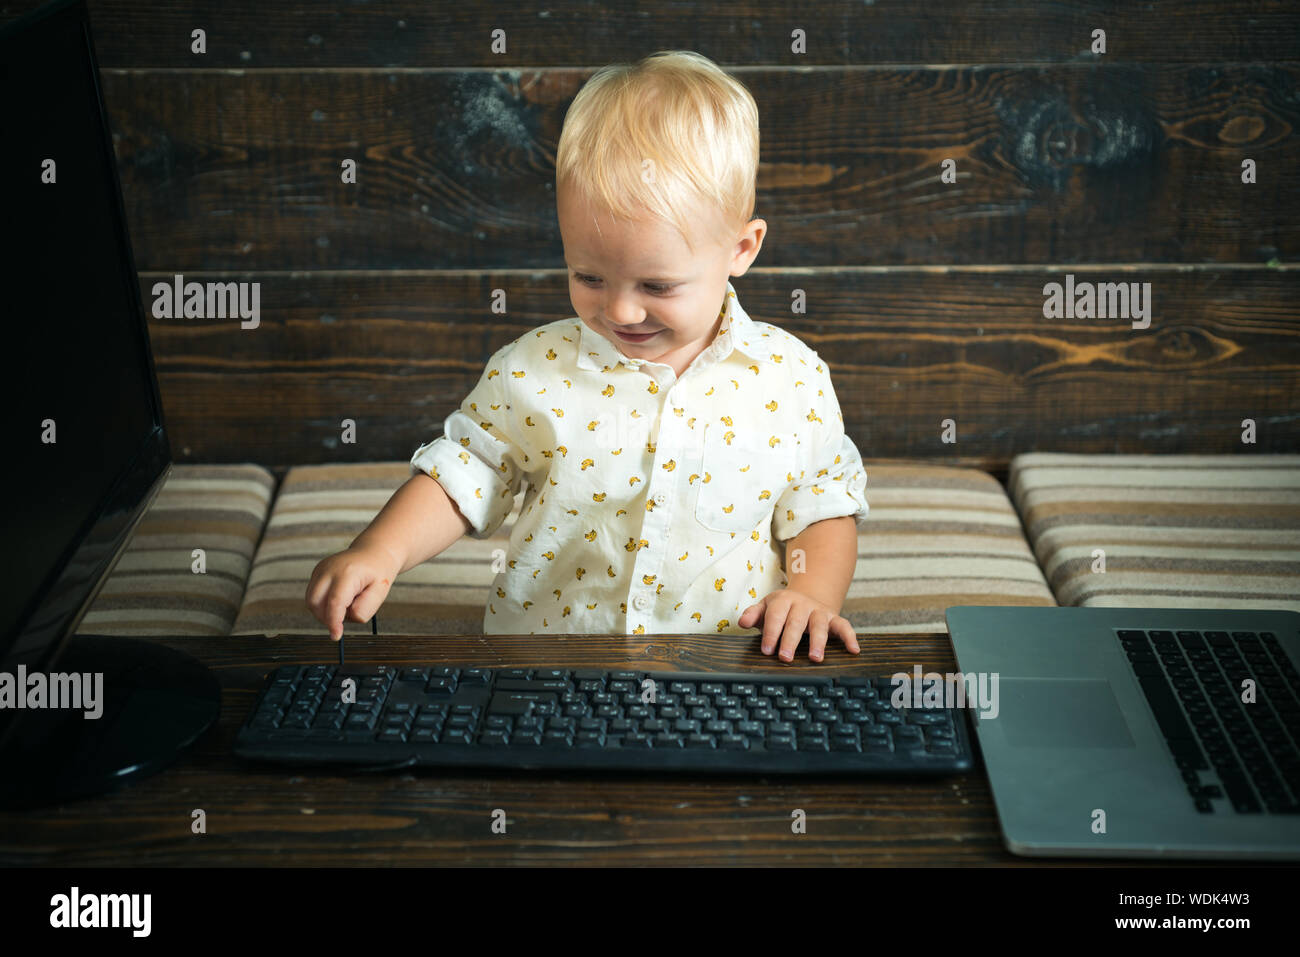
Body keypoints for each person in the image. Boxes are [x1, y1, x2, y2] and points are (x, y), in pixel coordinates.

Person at [307, 51, 869, 662]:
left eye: (657, 286)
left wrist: (814, 592)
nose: (621, 312)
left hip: (729, 659)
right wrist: (381, 550)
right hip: (547, 660)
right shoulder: (532, 370)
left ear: (741, 248)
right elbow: (465, 472)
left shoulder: (789, 379)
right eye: (590, 276)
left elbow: (822, 504)